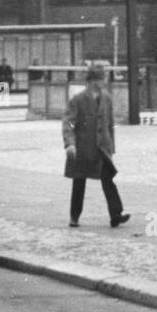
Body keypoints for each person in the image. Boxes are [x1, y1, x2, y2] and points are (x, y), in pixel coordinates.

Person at [62, 62, 129, 229]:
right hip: (83, 148)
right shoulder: (78, 100)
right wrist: (70, 143)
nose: (104, 81)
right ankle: (74, 216)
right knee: (79, 182)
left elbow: (110, 124)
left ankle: (116, 215)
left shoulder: (107, 98)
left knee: (108, 179)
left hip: (102, 148)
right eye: (101, 78)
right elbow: (70, 122)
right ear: (92, 81)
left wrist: (111, 147)